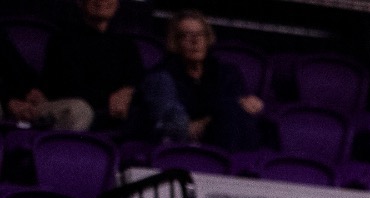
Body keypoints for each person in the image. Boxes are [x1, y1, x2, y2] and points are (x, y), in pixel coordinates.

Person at [133, 9, 262, 150]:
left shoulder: (226, 73)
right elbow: (174, 129)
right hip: (177, 151)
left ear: (208, 39)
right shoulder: (160, 77)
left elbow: (241, 118)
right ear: (174, 42)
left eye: (201, 35)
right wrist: (215, 119)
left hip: (226, 146)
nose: (195, 41)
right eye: (187, 36)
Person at [41, 0, 144, 131]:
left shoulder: (126, 44)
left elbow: (137, 79)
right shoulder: (63, 39)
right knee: (78, 110)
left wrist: (128, 93)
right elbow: (68, 87)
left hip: (114, 114)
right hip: (74, 109)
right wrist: (110, 99)